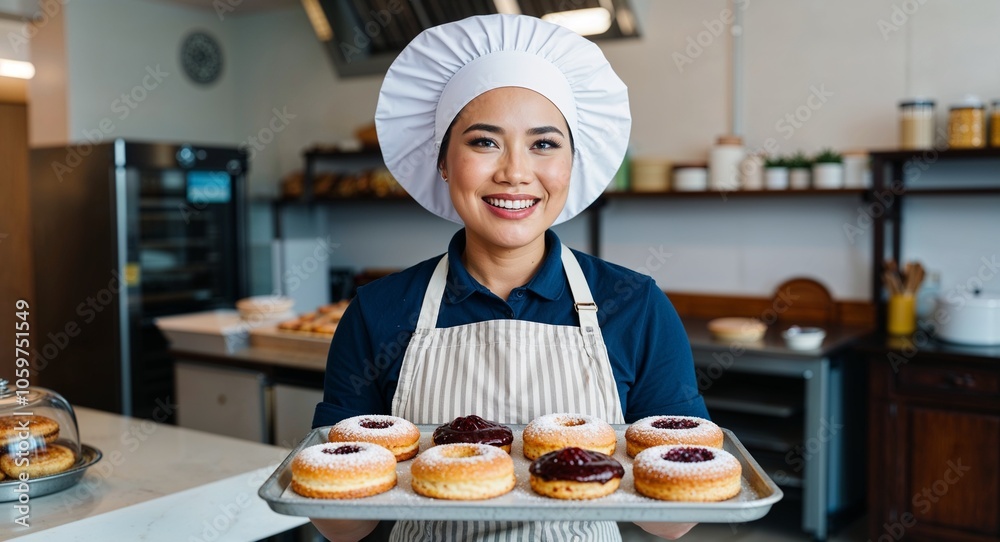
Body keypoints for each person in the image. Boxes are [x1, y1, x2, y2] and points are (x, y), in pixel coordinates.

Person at [310, 14, 708, 542]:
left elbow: (676, 518)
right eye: (484, 142)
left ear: (572, 162)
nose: (515, 172)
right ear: (444, 163)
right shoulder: (377, 310)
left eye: (544, 144)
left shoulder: (635, 305)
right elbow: (343, 526)